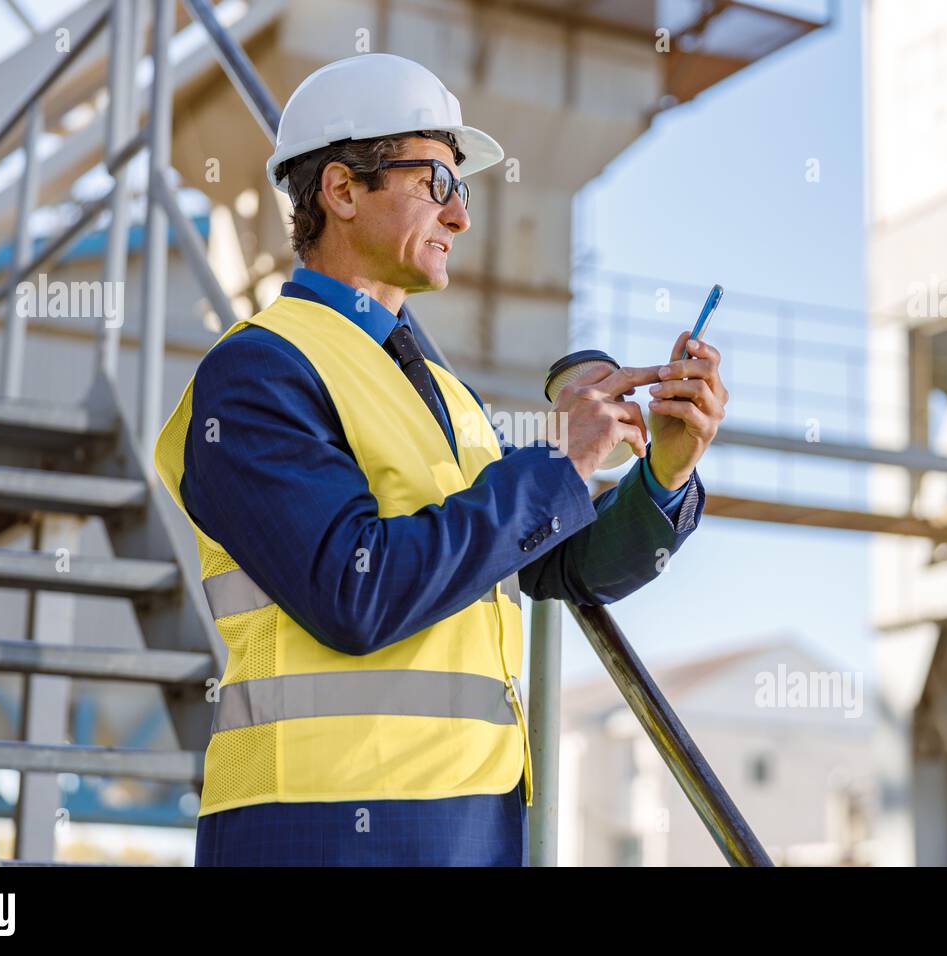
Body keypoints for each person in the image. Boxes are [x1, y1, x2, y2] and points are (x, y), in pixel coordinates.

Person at [152, 53, 728, 866]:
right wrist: (557, 462)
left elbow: (555, 568)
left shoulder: (446, 397)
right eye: (437, 183)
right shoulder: (258, 372)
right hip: (320, 825)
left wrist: (663, 473)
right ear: (343, 191)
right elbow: (354, 590)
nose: (460, 217)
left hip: (474, 822)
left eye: (463, 190)